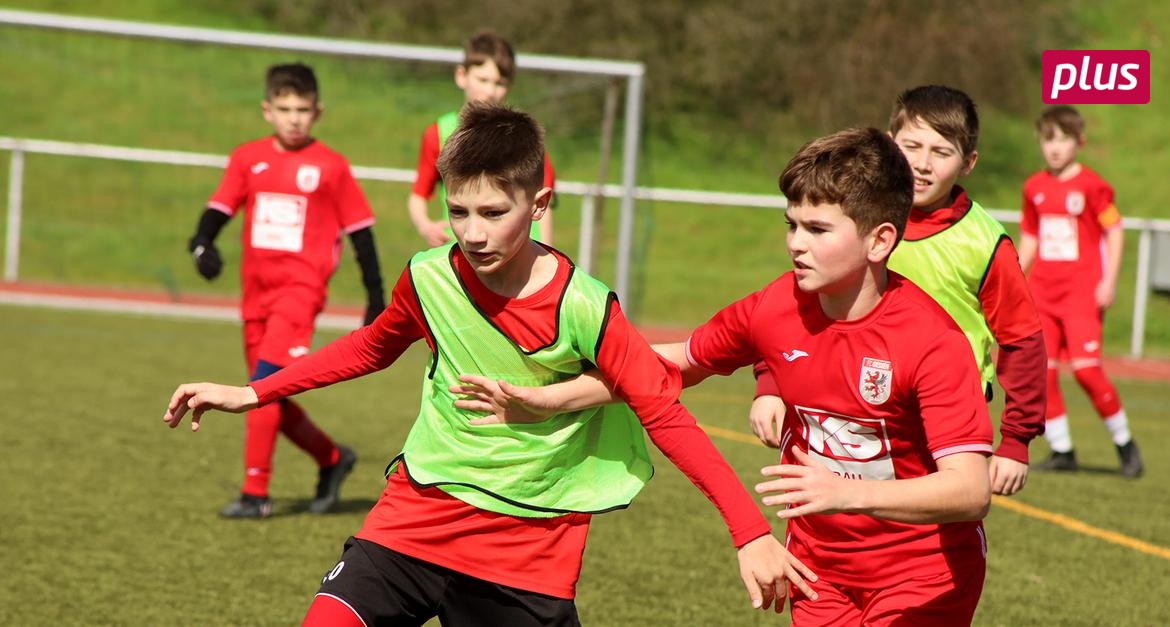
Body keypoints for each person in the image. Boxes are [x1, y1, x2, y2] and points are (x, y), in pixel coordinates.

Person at [165, 102, 814, 626]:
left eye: (493, 213)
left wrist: (750, 531)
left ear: (538, 204)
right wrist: (253, 393)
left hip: (527, 546)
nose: (472, 232)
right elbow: (371, 346)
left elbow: (665, 415)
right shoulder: (427, 276)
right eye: (458, 211)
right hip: (416, 514)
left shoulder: (582, 306)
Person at [454, 127, 995, 625]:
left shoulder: (931, 340)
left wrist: (842, 492)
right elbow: (667, 364)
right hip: (817, 570)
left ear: (879, 241)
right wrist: (556, 399)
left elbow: (969, 490)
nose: (795, 243)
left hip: (924, 575)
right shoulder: (776, 307)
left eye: (817, 228)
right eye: (791, 223)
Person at [751, 85, 1046, 496]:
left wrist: (1016, 439)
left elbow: (1022, 340)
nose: (923, 165)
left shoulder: (985, 243)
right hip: (846, 406)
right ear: (892, 145)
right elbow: (793, 310)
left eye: (941, 153)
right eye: (912, 146)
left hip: (944, 416)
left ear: (969, 163)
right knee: (835, 524)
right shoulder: (850, 218)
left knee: (926, 529)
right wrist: (770, 385)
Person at [185, 62, 384, 518]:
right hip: (256, 294)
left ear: (318, 112)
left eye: (303, 109)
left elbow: (362, 231)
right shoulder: (246, 157)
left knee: (259, 385)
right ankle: (333, 458)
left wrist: (375, 295)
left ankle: (255, 494)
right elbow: (218, 208)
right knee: (268, 390)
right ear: (267, 110)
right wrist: (201, 244)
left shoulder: (331, 167)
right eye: (284, 108)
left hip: (301, 291)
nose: (294, 117)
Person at [1018, 104, 1144, 478]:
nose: (1054, 147)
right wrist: (1014, 284)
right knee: (1043, 373)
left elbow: (1114, 230)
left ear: (1079, 142)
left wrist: (1108, 280)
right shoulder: (1033, 188)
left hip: (1080, 294)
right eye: (1047, 139)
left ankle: (1125, 445)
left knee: (1087, 371)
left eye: (1062, 139)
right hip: (1043, 293)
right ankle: (1062, 450)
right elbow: (1029, 241)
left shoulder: (1092, 186)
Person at [408, 29, 556, 248]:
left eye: (499, 83)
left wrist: (546, 250)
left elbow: (545, 203)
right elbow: (418, 195)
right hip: (465, 248)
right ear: (461, 76)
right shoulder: (439, 132)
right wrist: (425, 226)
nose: (489, 91)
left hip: (519, 253)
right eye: (483, 79)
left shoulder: (522, 135)